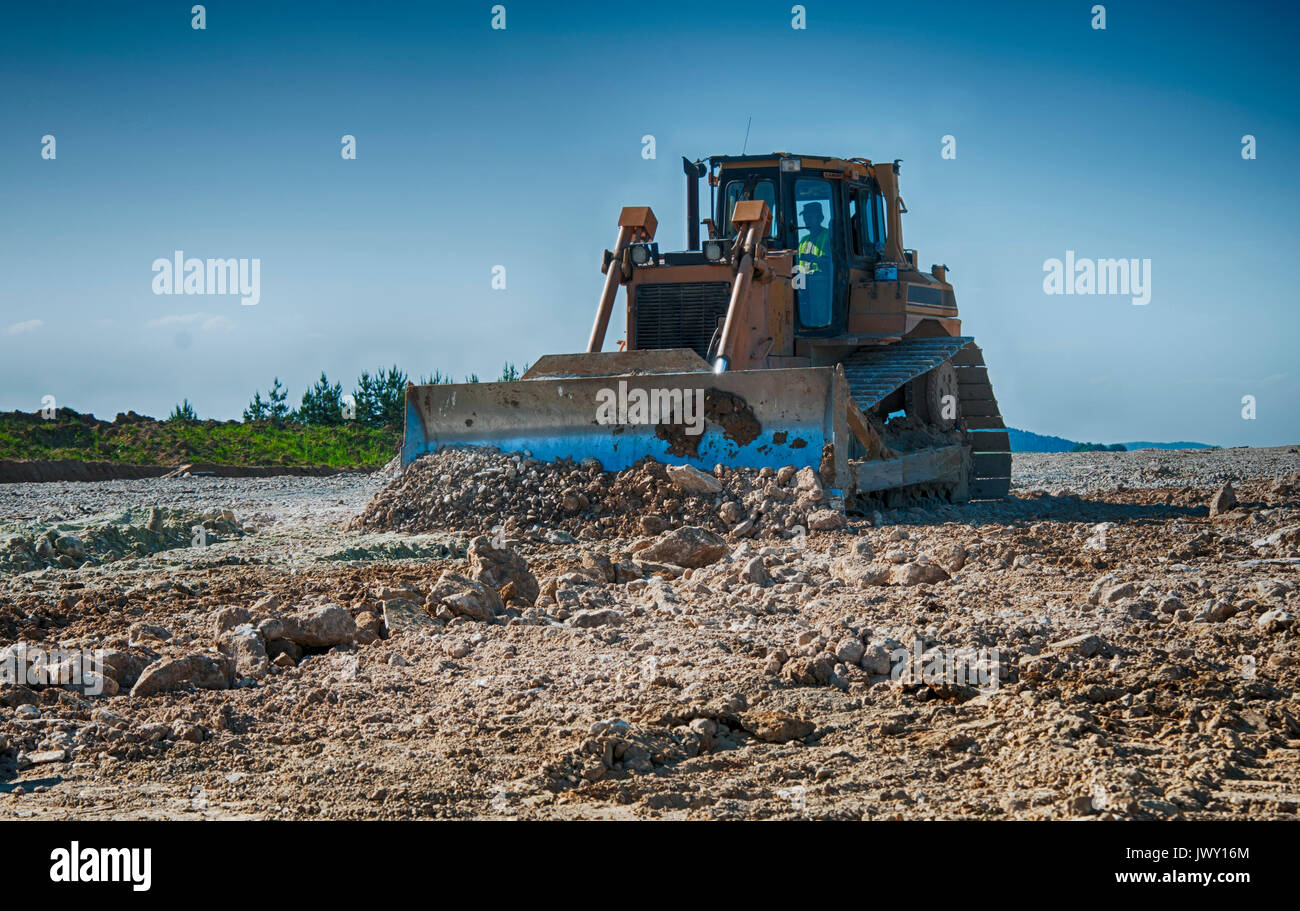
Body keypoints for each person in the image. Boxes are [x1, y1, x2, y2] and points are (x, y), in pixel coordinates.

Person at [796, 201, 832, 326]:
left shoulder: (828, 236)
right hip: (804, 282)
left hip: (822, 282)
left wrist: (814, 259)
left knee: (818, 314)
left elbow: (834, 261)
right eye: (805, 217)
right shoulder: (803, 240)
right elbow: (799, 264)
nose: (807, 221)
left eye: (810, 217)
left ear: (820, 218)